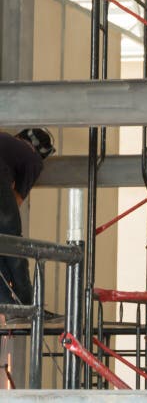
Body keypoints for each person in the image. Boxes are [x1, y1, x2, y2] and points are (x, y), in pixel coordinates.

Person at [0, 128, 55, 318]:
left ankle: (8, 306)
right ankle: (28, 305)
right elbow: (15, 202)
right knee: (14, 246)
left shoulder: (6, 139)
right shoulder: (33, 160)